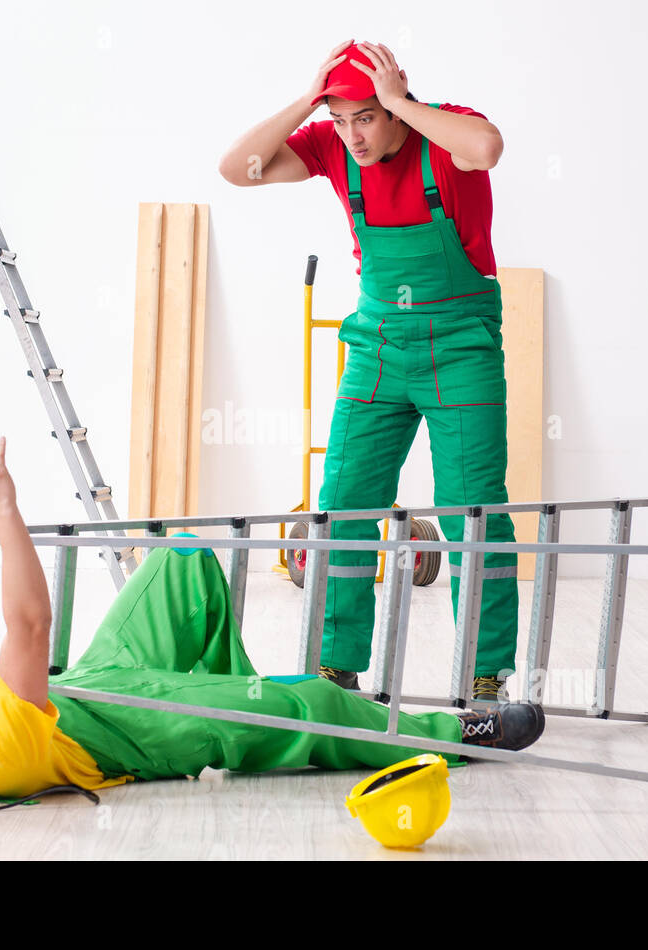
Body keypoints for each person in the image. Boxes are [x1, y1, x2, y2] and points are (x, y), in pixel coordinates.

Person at [0, 426, 543, 800]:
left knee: (187, 557)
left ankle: (245, 709)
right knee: (319, 699)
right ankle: (459, 734)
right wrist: (4, 502)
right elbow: (28, 626)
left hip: (94, 682)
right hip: (134, 728)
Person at [217, 41, 519, 698]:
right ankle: (336, 668)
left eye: (366, 117)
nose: (352, 135)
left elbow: (488, 150)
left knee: (475, 510)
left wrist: (402, 103)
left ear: (392, 106)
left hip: (461, 346)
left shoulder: (440, 136)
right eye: (341, 117)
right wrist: (308, 99)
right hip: (378, 346)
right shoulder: (329, 145)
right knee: (343, 504)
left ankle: (486, 678)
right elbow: (235, 168)